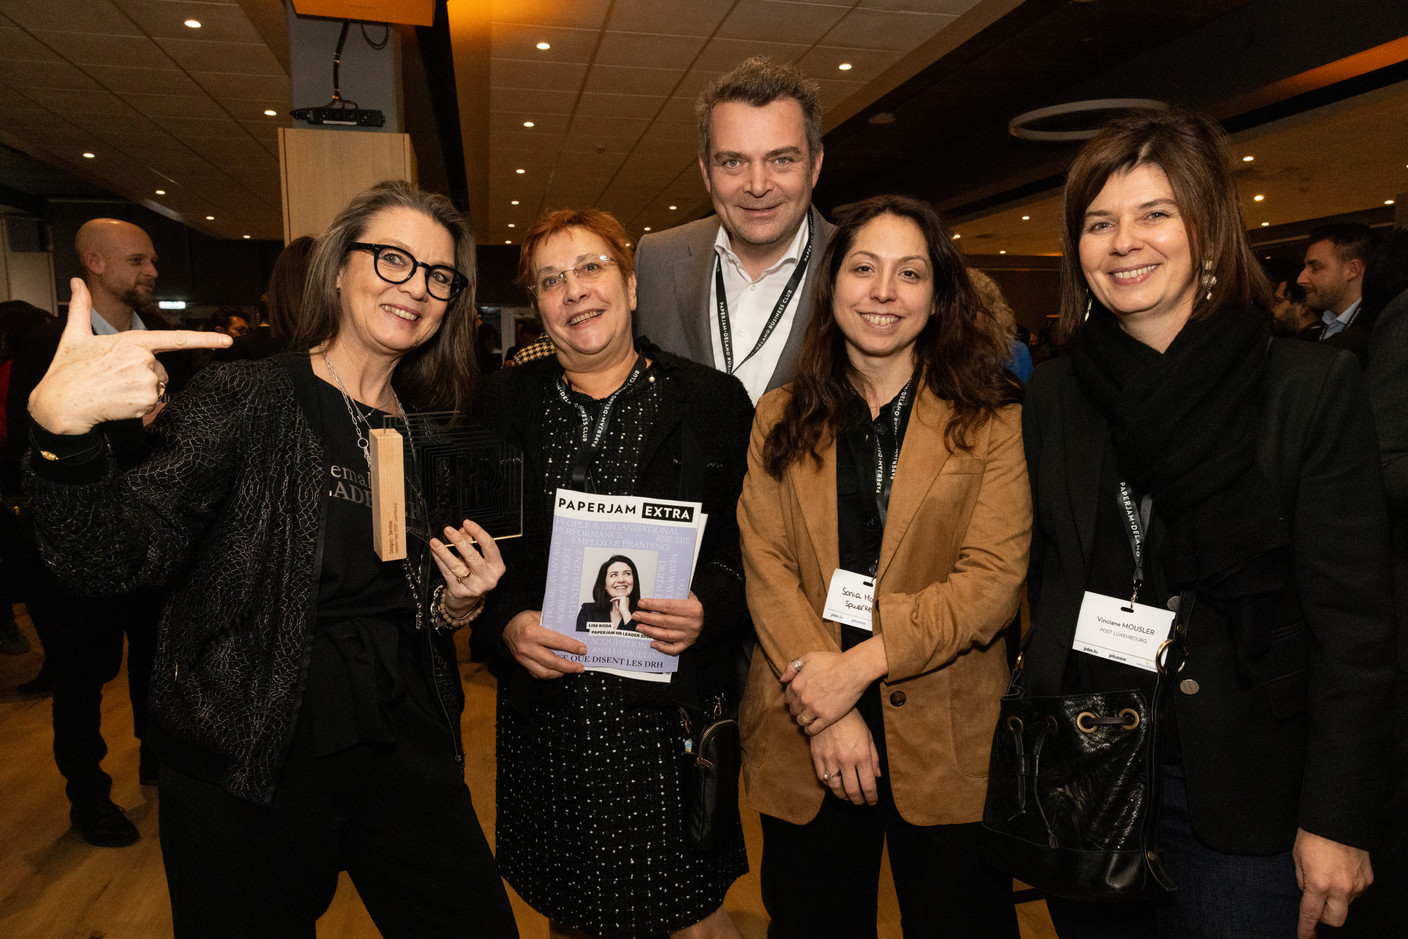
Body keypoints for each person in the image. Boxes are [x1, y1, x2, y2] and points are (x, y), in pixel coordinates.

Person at [22, 179, 518, 936]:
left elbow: (392, 588)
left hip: (401, 733)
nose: (415, 286)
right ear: (340, 268)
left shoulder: (422, 429)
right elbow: (114, 555)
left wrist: (452, 604)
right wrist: (64, 438)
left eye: (438, 275)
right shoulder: (247, 398)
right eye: (392, 260)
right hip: (255, 748)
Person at [1019, 108, 1395, 938]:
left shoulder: (1307, 387)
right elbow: (1050, 577)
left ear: (1210, 234)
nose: (1125, 243)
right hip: (1091, 775)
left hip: (1245, 794)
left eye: (1156, 214)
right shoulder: (1057, 394)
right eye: (1099, 222)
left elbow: (1357, 630)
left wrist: (1338, 815)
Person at [736, 194, 1030, 938]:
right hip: (805, 726)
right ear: (832, 287)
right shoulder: (779, 415)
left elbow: (992, 582)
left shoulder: (993, 414)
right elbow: (767, 567)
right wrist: (827, 702)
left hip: (946, 732)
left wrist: (858, 666)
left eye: (910, 273)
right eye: (864, 268)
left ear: (937, 299)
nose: (884, 292)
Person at [475, 207, 753, 939]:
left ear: (630, 287)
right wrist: (506, 620)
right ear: (537, 308)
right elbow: (475, 545)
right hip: (554, 713)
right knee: (574, 908)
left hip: (668, 713)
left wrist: (709, 607)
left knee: (686, 908)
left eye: (591, 268)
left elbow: (752, 545)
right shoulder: (502, 405)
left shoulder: (713, 402)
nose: (574, 292)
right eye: (551, 280)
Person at [5, 218, 171, 844]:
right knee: (82, 674)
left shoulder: (163, 342)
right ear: (94, 263)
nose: (152, 272)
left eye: (153, 260)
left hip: (152, 542)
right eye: (138, 260)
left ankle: (159, 762)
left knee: (158, 662)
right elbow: (28, 449)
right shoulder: (47, 347)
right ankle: (89, 796)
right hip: (73, 553)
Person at [634, 56, 835, 403]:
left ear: (815, 165)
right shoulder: (655, 260)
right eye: (732, 162)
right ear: (705, 172)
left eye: (781, 160)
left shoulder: (858, 264)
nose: (757, 185)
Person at [575, 554, 641, 633]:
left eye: (627, 573)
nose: (621, 580)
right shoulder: (588, 611)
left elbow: (636, 644)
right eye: (614, 575)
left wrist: (625, 613)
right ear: (604, 585)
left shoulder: (644, 615)